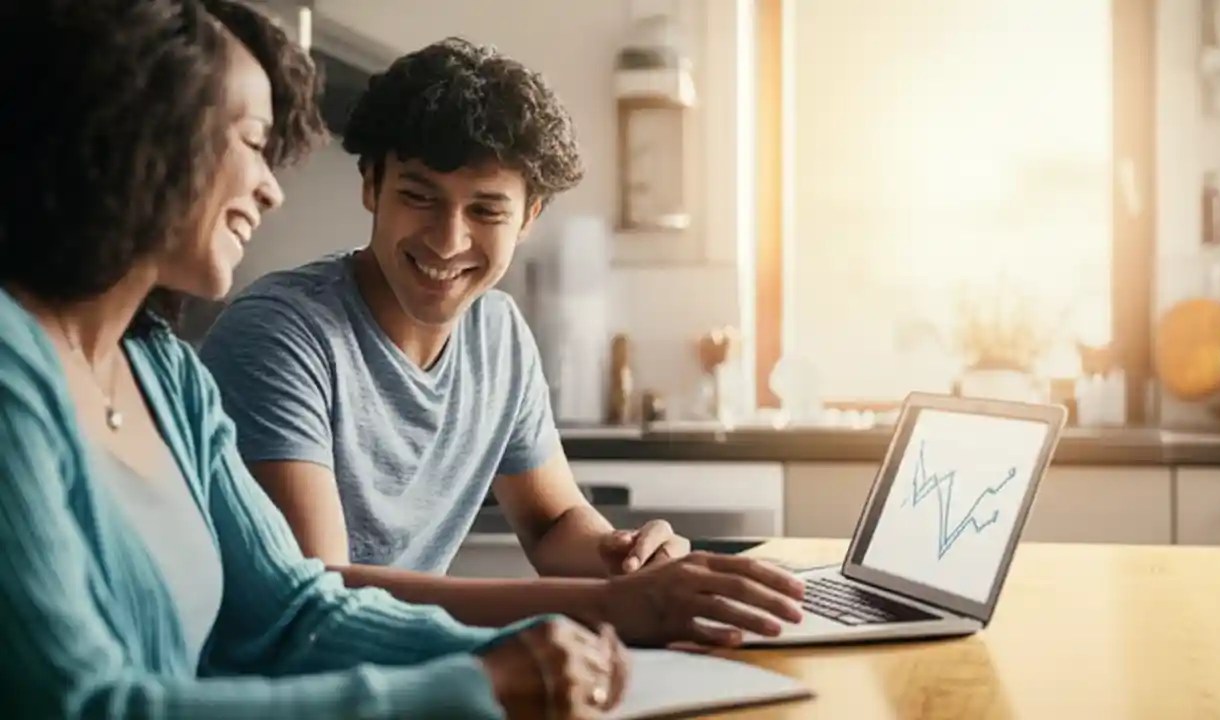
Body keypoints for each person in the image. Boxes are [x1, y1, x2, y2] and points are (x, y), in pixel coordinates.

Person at [0, 1, 626, 717]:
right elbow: (76, 703)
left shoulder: (164, 372)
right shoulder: (12, 368)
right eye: (250, 141)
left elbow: (294, 608)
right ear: (135, 135)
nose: (270, 188)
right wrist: (477, 685)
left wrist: (532, 646)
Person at [199, 37, 806, 647]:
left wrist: (628, 562)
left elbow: (553, 523)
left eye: (486, 211)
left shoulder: (499, 333)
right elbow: (320, 600)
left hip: (409, 675)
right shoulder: (278, 335)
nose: (446, 239)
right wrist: (611, 604)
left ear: (529, 216)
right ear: (371, 186)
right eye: (418, 197)